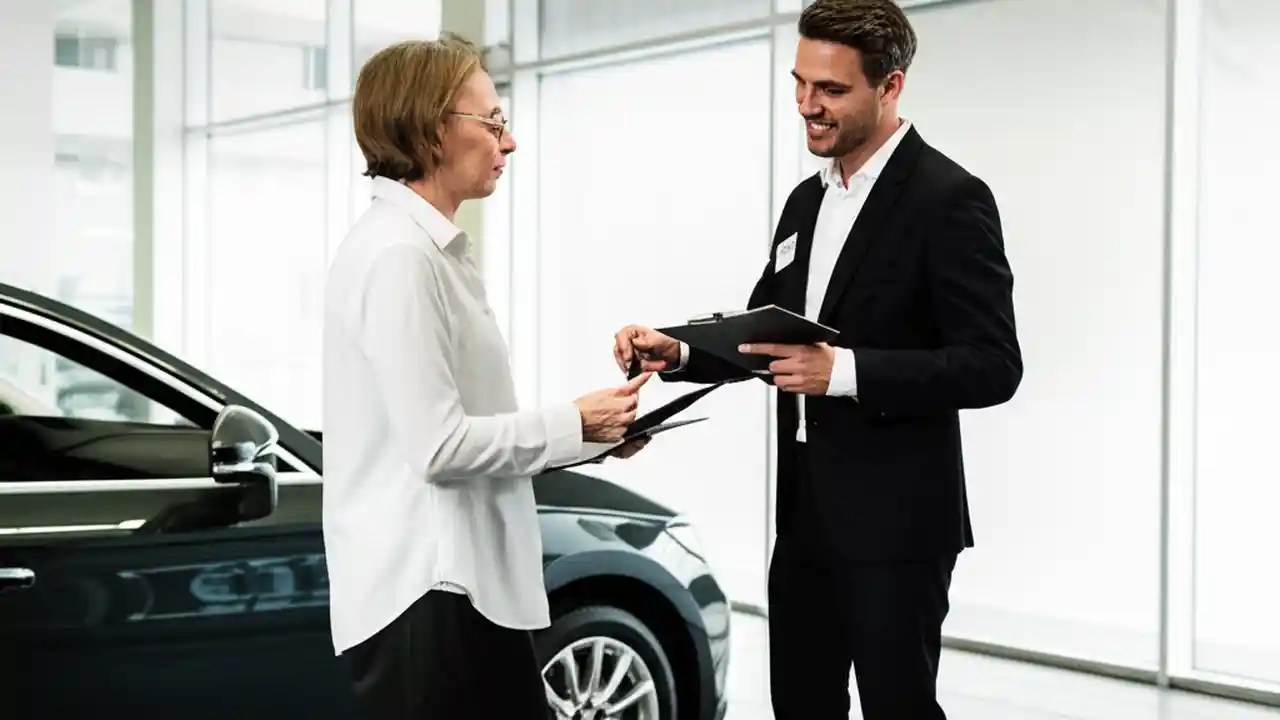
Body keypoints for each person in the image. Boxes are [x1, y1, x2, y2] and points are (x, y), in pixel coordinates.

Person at [614, 1, 1022, 717]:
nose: (808, 107)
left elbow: (994, 364)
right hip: (804, 516)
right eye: (800, 84)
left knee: (899, 707)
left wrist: (847, 373)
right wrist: (676, 350)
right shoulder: (807, 199)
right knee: (800, 704)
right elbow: (763, 332)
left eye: (830, 91)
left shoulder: (950, 200)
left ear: (890, 87)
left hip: (899, 524)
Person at [322, 35, 652, 720]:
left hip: (456, 590)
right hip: (431, 592)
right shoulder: (400, 258)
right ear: (432, 128)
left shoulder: (425, 250)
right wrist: (573, 423)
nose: (509, 142)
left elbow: (461, 423)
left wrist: (593, 434)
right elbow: (438, 448)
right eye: (493, 121)